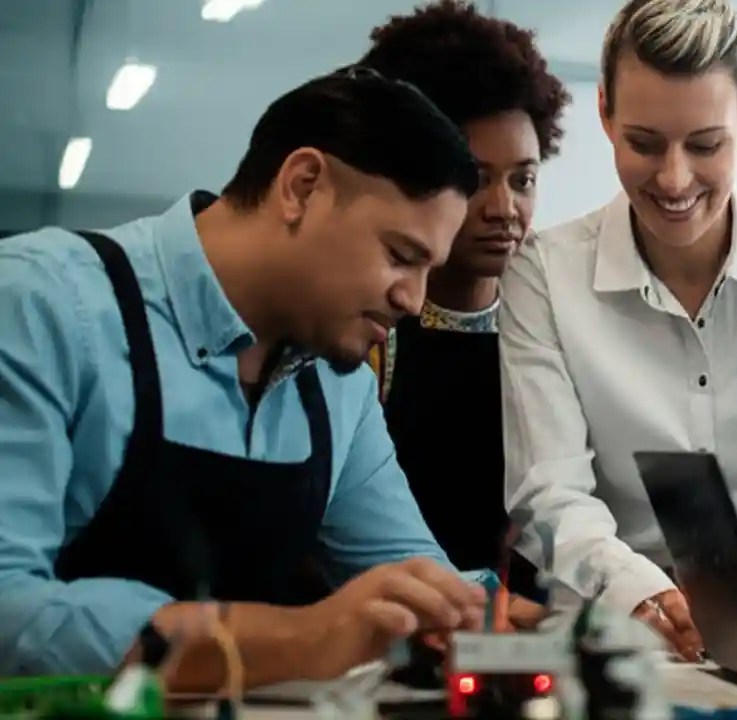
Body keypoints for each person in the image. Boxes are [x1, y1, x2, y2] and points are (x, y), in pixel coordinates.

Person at [0, 67, 489, 690]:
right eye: (400, 255)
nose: (414, 300)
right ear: (302, 186)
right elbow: (8, 613)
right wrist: (304, 637)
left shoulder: (340, 384)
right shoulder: (41, 304)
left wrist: (525, 613)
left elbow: (415, 581)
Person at [500, 0, 737, 660]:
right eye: (644, 144)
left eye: (706, 145)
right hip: (615, 638)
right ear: (605, 115)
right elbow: (550, 490)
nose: (675, 179)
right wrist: (642, 595)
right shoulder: (544, 274)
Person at [359, 0, 571, 615]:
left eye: (523, 179)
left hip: (536, 640)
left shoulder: (556, 326)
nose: (505, 208)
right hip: (391, 631)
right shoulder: (365, 334)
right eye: (478, 179)